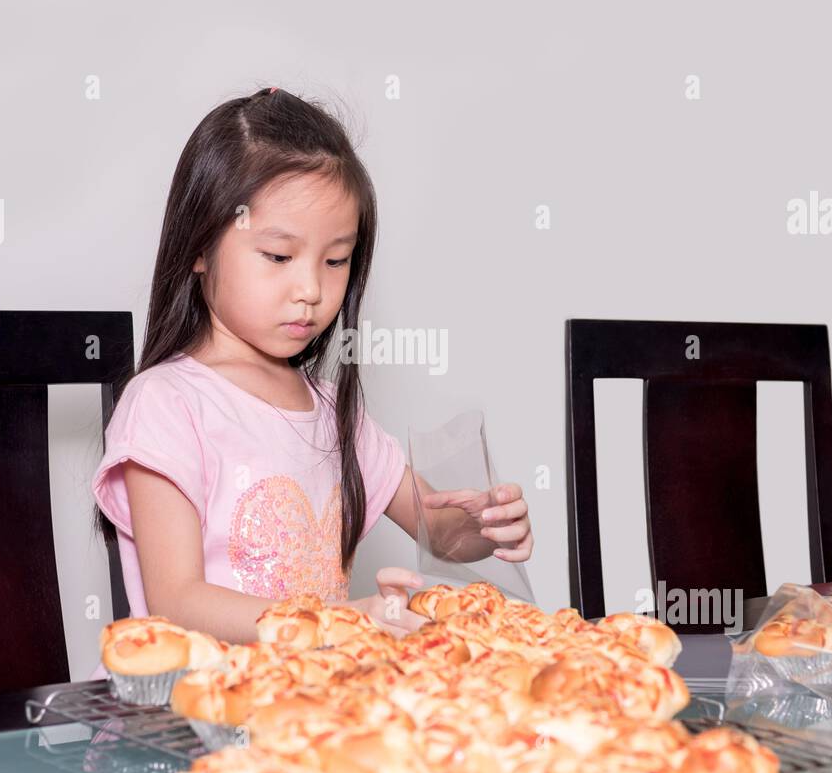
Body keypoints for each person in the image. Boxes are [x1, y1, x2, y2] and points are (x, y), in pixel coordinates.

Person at [88, 86, 532, 676]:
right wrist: (339, 624)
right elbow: (178, 603)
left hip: (309, 717)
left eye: (335, 260)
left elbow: (439, 531)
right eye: (278, 256)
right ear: (199, 246)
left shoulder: (331, 410)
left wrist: (482, 526)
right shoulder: (168, 404)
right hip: (191, 722)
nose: (312, 290)